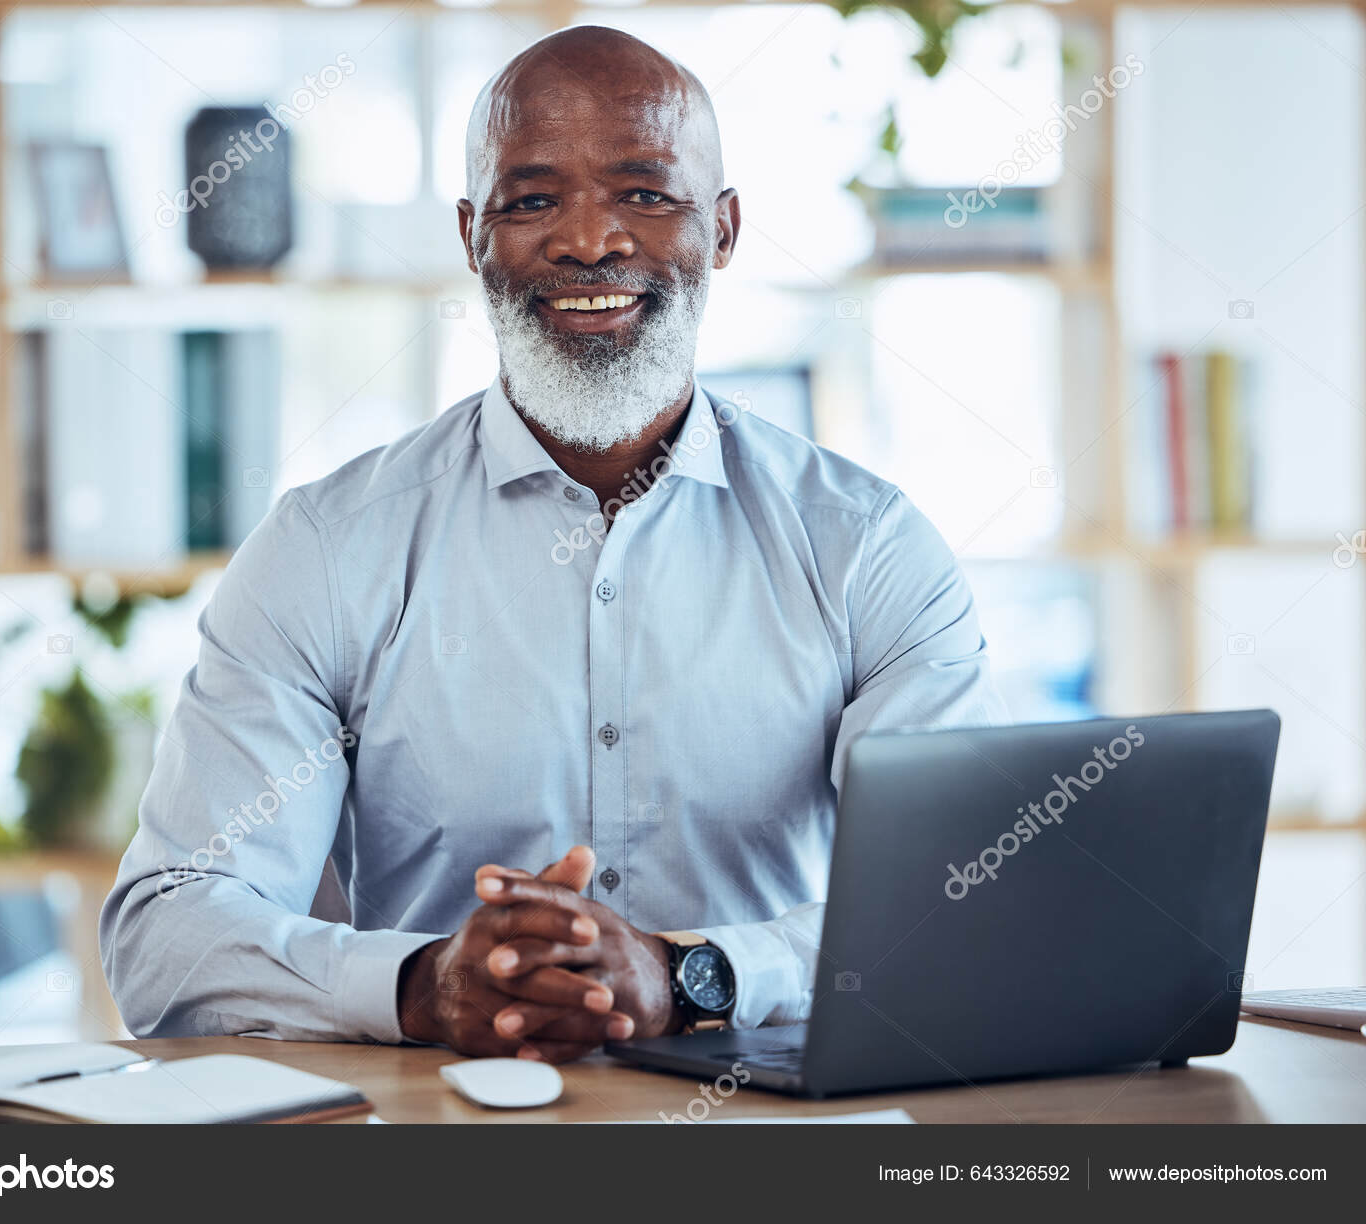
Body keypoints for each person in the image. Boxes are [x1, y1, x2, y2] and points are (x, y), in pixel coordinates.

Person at [100, 25, 1005, 1063]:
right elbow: (161, 937)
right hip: (440, 1138)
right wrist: (418, 985)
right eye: (530, 200)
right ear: (471, 236)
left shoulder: (865, 547)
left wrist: (692, 975)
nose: (589, 240)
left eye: (645, 194)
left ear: (724, 227)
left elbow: (968, 896)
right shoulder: (324, 549)